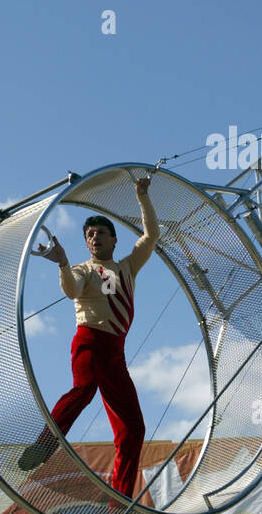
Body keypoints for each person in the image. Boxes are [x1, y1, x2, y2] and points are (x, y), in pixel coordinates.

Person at [18, 175, 160, 497]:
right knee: (84, 390)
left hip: (116, 353)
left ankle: (119, 498)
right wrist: (63, 263)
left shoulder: (126, 267)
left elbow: (151, 236)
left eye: (100, 233)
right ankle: (43, 445)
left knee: (133, 429)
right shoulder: (83, 270)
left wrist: (142, 196)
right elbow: (72, 291)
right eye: (89, 235)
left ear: (113, 240)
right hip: (90, 343)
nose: (94, 238)